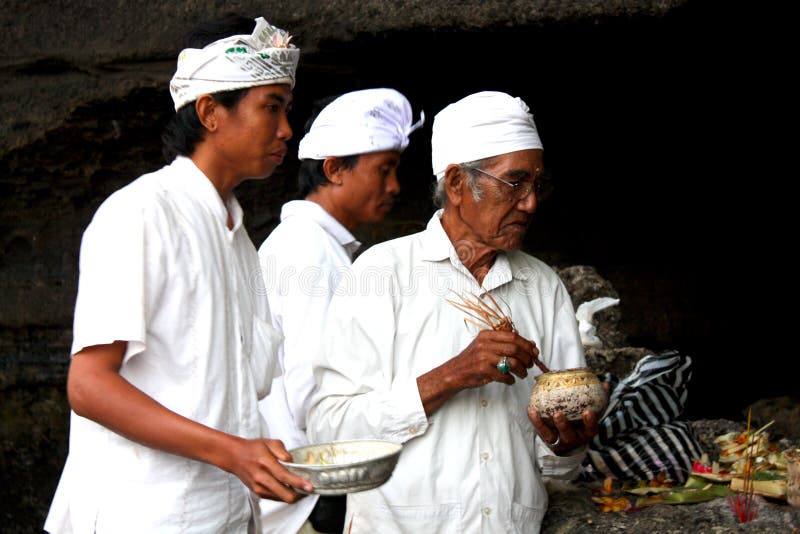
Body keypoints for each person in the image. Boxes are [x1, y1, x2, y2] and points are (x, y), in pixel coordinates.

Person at [44, 15, 313, 533]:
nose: (285, 130)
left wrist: (252, 456)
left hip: (225, 517)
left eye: (287, 109)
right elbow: (89, 385)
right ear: (210, 111)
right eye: (272, 107)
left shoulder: (239, 239)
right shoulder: (141, 213)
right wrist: (233, 452)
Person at [307, 91, 602, 533]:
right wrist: (453, 375)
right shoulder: (382, 274)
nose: (530, 203)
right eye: (514, 182)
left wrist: (566, 445)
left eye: (537, 185)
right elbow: (330, 433)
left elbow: (554, 468)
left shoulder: (542, 287)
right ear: (457, 184)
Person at [257, 88, 424, 534]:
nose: (395, 187)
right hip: (305, 501)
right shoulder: (309, 253)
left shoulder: (315, 247)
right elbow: (316, 397)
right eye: (383, 171)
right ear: (334, 169)